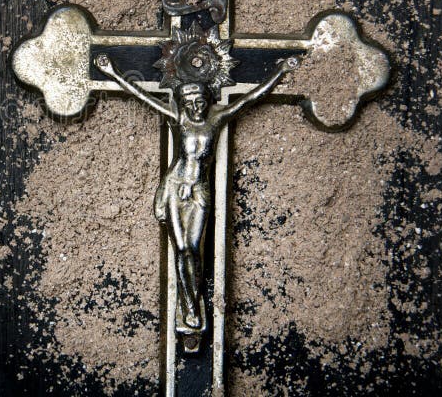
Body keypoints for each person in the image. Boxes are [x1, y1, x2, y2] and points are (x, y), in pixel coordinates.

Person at [94, 51, 299, 332]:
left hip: (200, 190)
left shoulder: (216, 117)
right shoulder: (178, 117)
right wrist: (113, 73)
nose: (195, 108)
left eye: (200, 102)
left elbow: (251, 98)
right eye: (189, 103)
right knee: (183, 250)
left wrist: (281, 71)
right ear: (183, 103)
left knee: (195, 250)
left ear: (207, 101)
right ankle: (190, 306)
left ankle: (193, 299)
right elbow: (142, 97)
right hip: (177, 186)